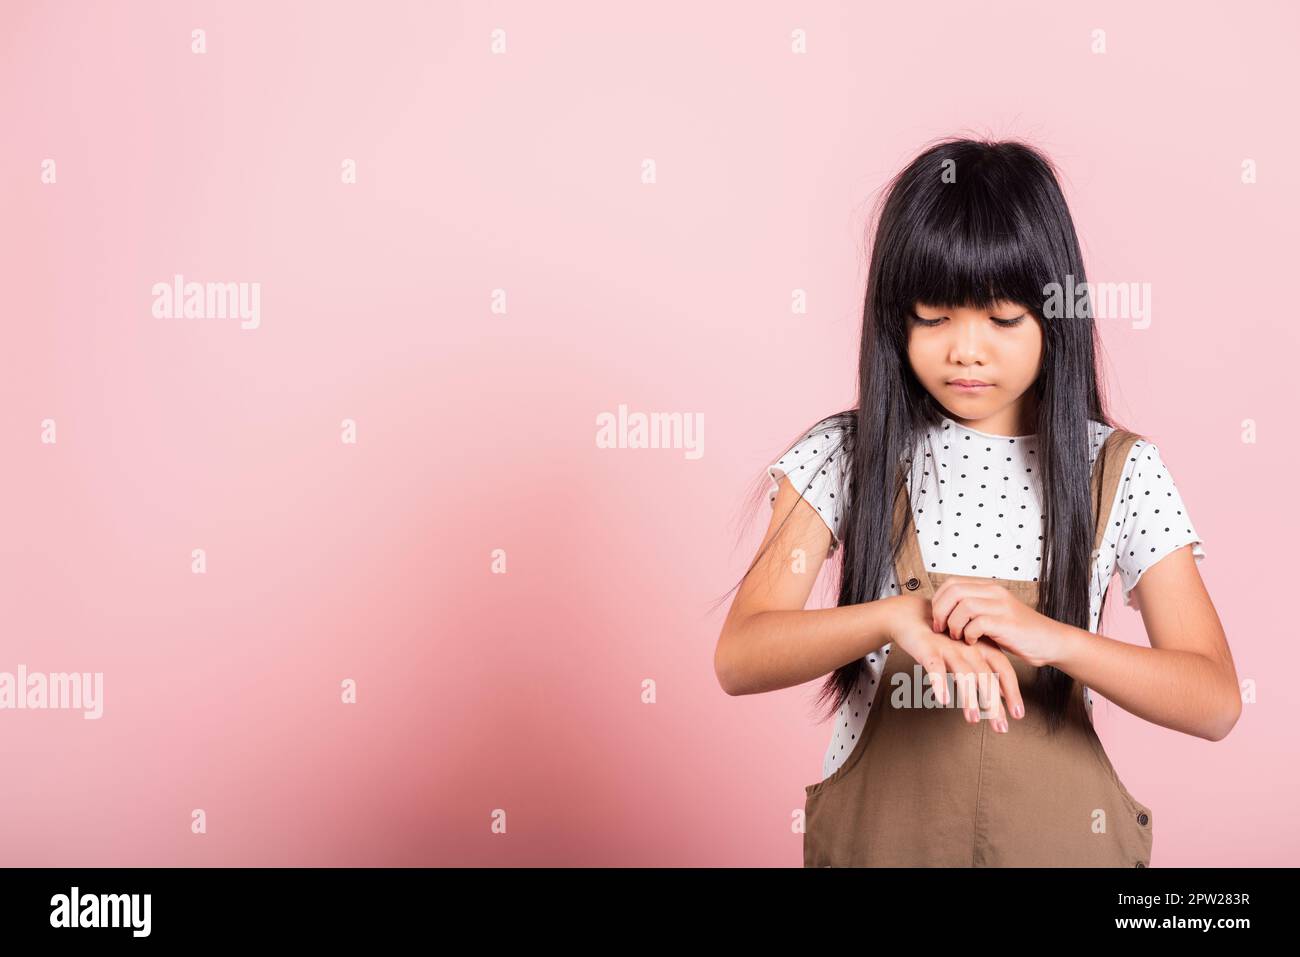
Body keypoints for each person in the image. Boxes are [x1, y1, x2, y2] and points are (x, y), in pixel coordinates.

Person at [713, 137, 1239, 867]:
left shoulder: (1120, 469)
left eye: (1001, 318)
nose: (967, 350)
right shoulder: (846, 456)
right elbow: (741, 655)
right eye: (934, 316)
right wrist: (898, 615)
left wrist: (1051, 637)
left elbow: (1214, 699)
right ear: (894, 317)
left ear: (1056, 316)